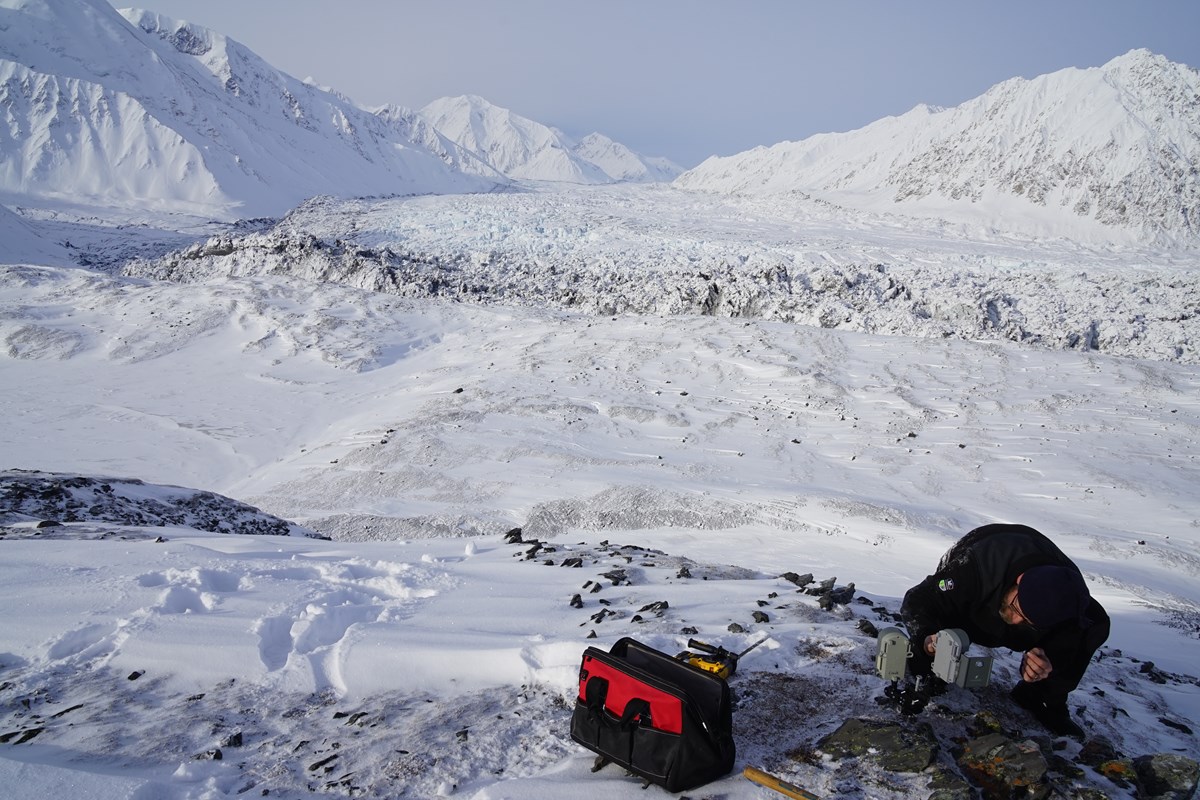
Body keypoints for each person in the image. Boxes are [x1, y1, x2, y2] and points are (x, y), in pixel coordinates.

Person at [901, 523, 1110, 739]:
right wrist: (927, 638)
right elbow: (919, 599)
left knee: (1089, 631)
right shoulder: (972, 568)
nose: (1015, 620)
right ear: (1020, 579)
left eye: (1027, 620)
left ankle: (1039, 698)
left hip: (1029, 616)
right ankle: (927, 664)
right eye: (1017, 608)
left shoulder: (1070, 603)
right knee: (936, 636)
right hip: (976, 598)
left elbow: (1085, 630)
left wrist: (1048, 663)